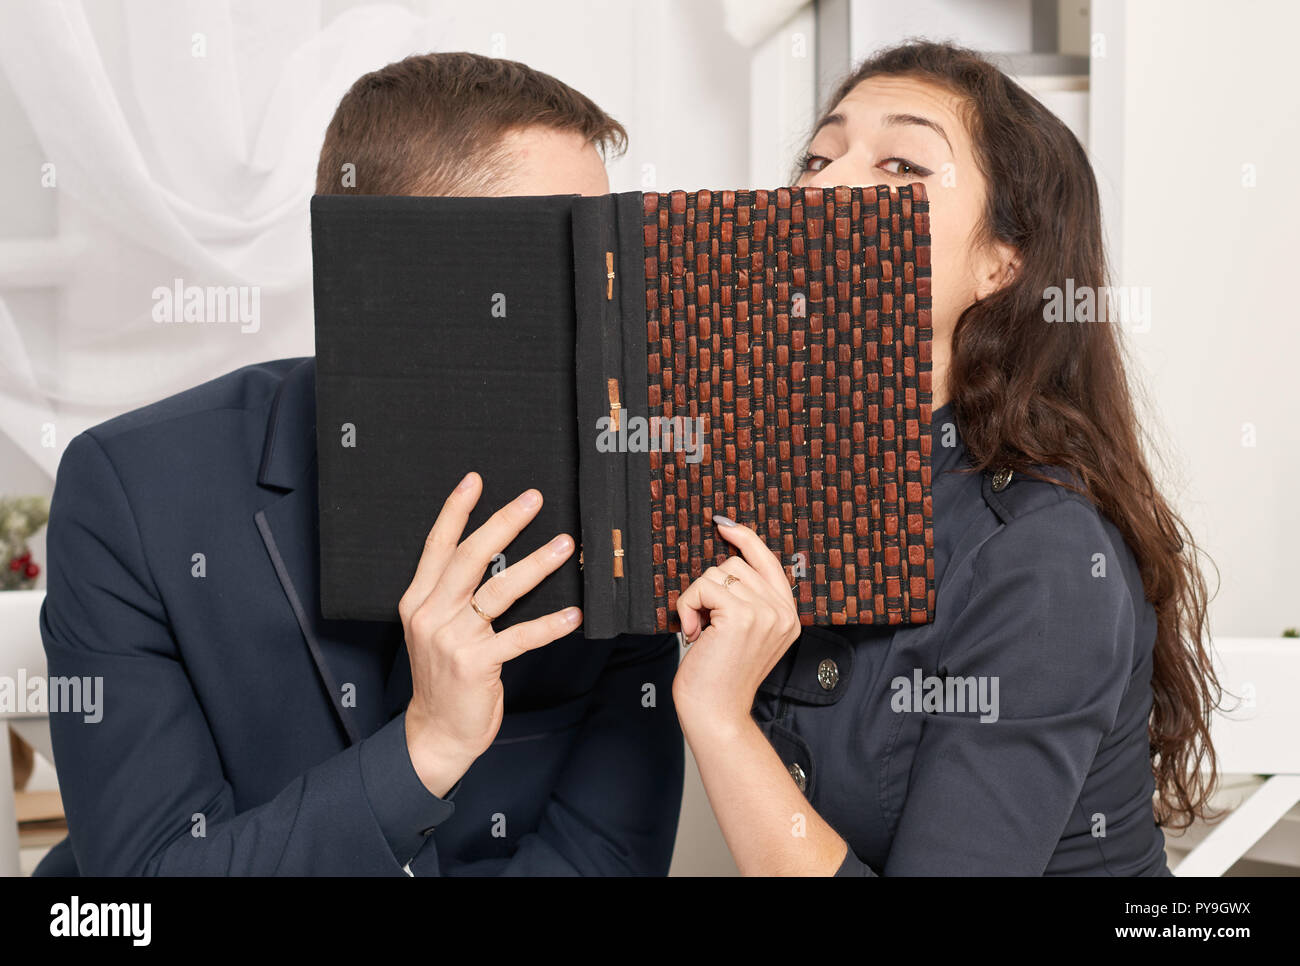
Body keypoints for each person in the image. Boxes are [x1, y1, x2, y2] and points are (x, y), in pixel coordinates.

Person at [36, 52, 683, 876]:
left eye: (607, 257)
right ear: (395, 272)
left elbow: (604, 860)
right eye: (558, 257)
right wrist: (424, 751)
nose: (606, 305)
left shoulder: (624, 499)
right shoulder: (132, 494)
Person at [672, 41, 1218, 876]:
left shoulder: (1046, 555)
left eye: (900, 164)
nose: (824, 186)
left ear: (1004, 262)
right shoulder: (769, 482)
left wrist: (720, 720)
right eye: (816, 158)